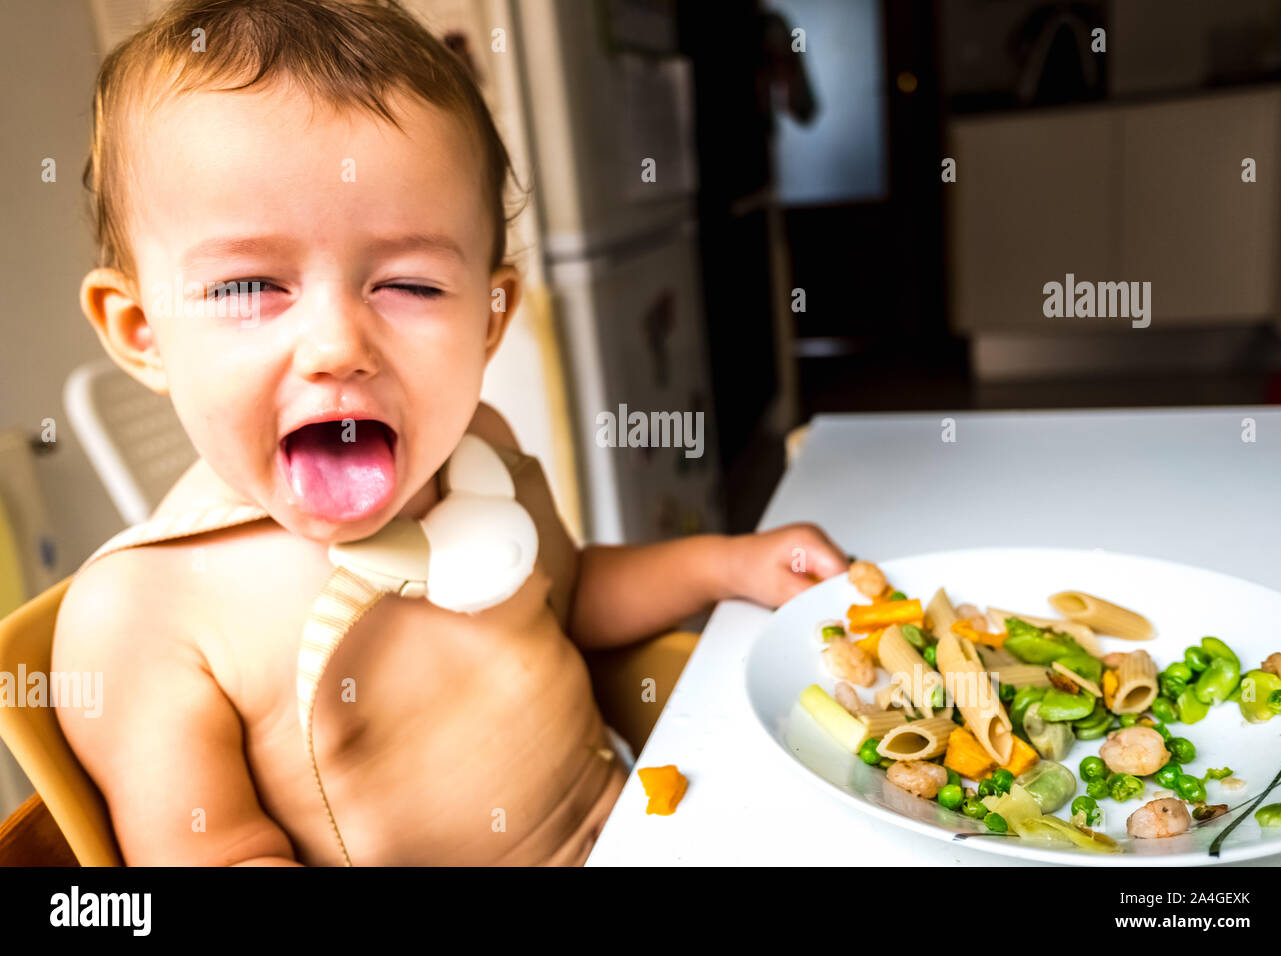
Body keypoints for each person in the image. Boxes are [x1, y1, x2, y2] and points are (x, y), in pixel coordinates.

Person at [53, 0, 848, 866]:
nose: (337, 346)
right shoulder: (144, 616)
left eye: (410, 285)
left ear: (489, 318)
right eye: (251, 287)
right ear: (139, 329)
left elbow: (570, 595)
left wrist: (730, 564)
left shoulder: (482, 456)